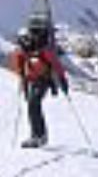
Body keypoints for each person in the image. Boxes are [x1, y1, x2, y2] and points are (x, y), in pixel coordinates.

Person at [7, 17, 68, 148]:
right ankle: (39, 135)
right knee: (33, 104)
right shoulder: (40, 48)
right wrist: (62, 81)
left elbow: (55, 64)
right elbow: (56, 64)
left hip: (42, 79)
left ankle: (38, 136)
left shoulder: (37, 48)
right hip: (35, 79)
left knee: (33, 103)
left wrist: (62, 80)